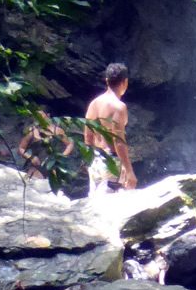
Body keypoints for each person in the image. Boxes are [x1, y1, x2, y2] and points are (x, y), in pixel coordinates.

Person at [84, 62, 137, 194]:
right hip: (111, 161)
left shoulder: (94, 104)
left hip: (95, 159)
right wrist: (129, 170)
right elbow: (118, 141)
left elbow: (87, 136)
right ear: (125, 82)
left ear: (107, 81)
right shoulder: (119, 107)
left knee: (95, 203)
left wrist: (88, 161)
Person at [19, 112, 75, 179]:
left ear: (47, 115)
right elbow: (21, 148)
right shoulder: (33, 131)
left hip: (50, 164)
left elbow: (70, 144)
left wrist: (62, 156)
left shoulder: (56, 130)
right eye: (36, 115)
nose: (38, 117)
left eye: (40, 115)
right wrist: (30, 157)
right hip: (33, 163)